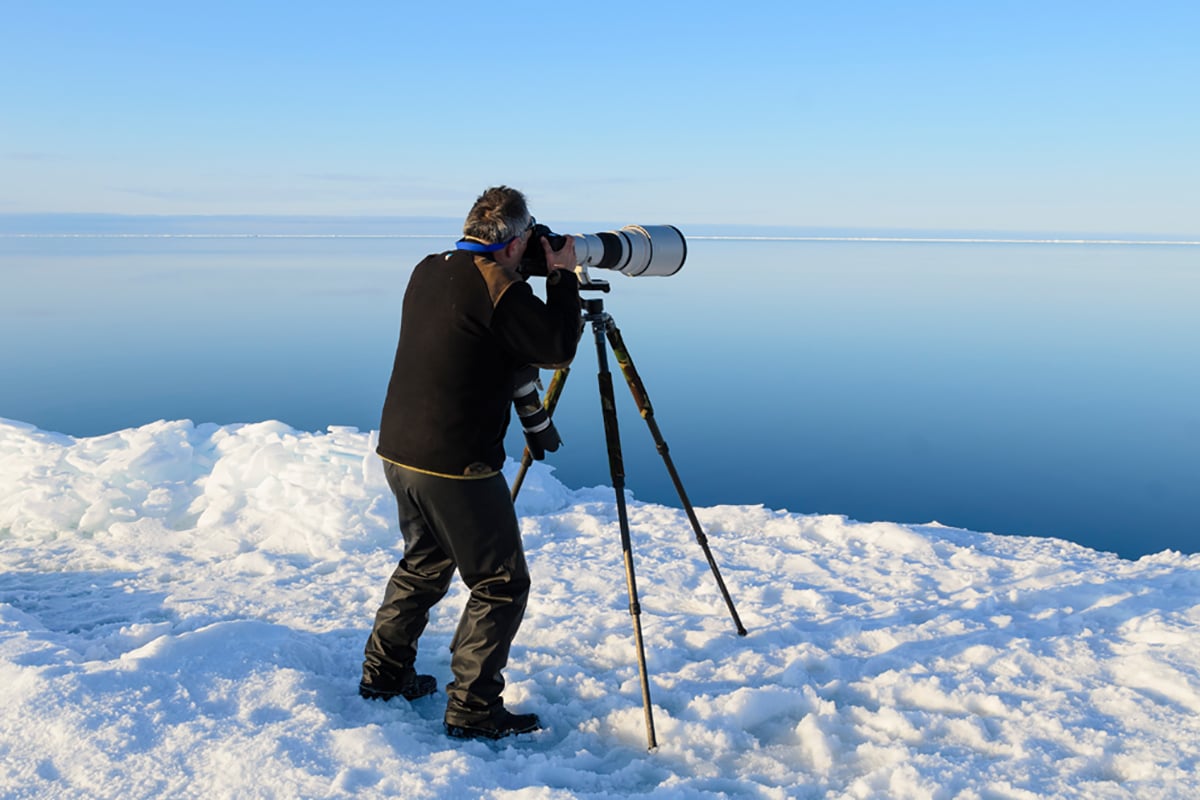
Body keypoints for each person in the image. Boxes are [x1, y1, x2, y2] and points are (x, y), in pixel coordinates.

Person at [360, 186, 582, 740]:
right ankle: (473, 709)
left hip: (400, 451)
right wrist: (561, 276)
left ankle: (383, 675)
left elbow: (491, 344)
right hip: (455, 464)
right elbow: (557, 349)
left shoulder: (430, 268)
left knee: (424, 563)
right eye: (529, 238)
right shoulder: (498, 287)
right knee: (500, 584)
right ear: (511, 242)